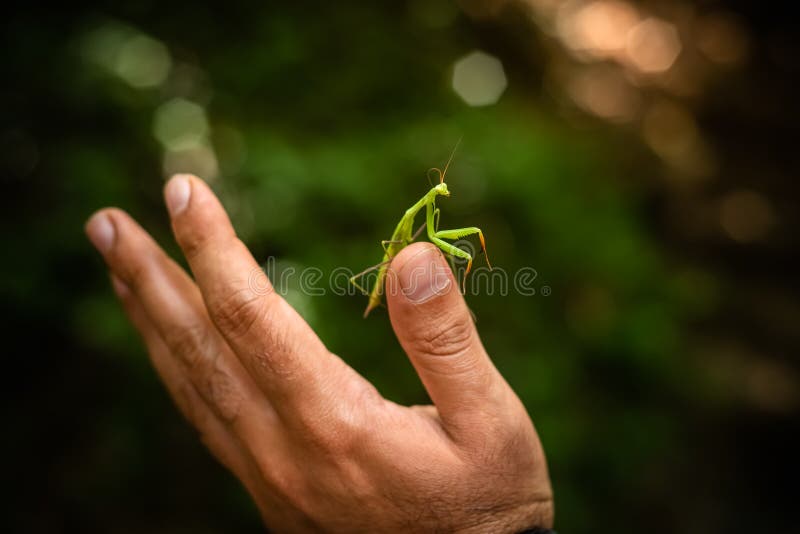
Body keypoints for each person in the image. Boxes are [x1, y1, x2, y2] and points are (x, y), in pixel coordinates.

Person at [85, 174, 555, 532]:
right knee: (408, 261)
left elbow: (429, 238)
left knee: (430, 255)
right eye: (442, 191)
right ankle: (375, 292)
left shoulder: (429, 213)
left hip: (406, 260)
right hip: (389, 264)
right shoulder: (420, 218)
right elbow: (421, 240)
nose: (444, 196)